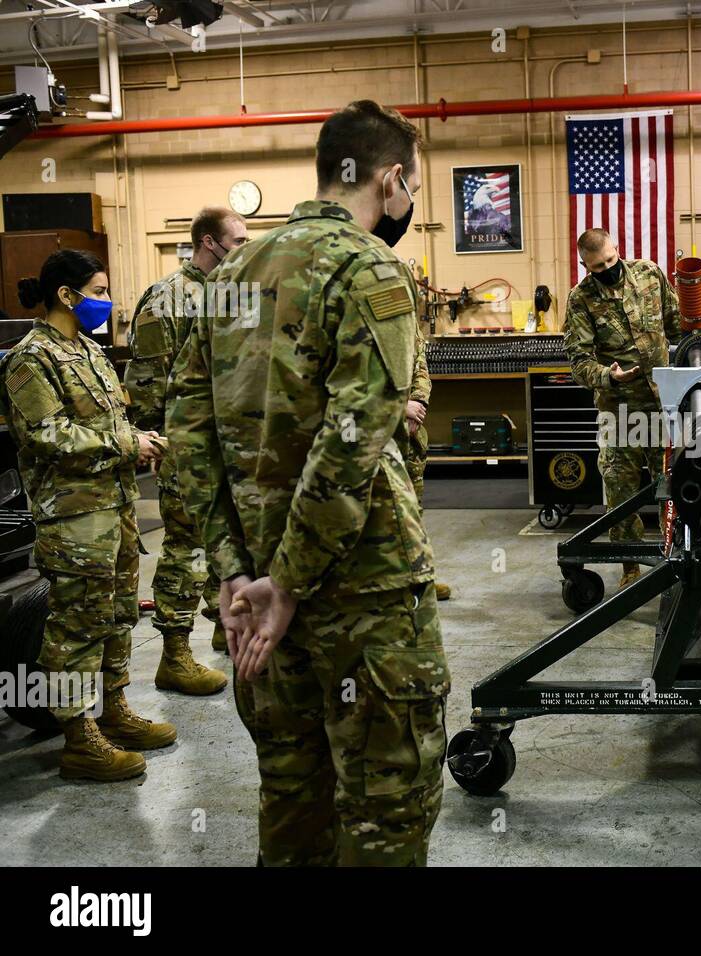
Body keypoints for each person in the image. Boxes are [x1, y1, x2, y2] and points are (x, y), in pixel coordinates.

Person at [167, 100, 449, 866]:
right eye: (411, 187)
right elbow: (351, 442)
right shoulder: (371, 268)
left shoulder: (233, 273)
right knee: (385, 811)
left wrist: (237, 572)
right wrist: (287, 584)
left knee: (292, 804)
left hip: (256, 602)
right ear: (391, 180)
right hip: (361, 596)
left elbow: (190, 438)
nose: (409, 203)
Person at [0, 250, 176, 781]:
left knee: (118, 614)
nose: (106, 301)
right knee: (75, 626)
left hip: (115, 508)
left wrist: (139, 438)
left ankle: (114, 710)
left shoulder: (91, 352)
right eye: (98, 291)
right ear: (66, 295)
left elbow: (111, 418)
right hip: (73, 517)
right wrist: (128, 443)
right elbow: (45, 434)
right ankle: (79, 738)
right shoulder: (32, 358)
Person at [125, 206, 248, 690]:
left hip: (225, 441)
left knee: (227, 538)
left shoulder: (230, 293)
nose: (244, 248)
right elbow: (151, 380)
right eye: (237, 241)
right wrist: (166, 443)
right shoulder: (169, 298)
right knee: (186, 547)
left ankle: (224, 627)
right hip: (186, 442)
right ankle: (174, 654)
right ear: (207, 242)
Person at [562, 228, 682, 589]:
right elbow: (578, 360)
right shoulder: (580, 299)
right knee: (620, 489)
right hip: (620, 411)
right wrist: (608, 376)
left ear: (618, 249)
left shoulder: (648, 274)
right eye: (598, 267)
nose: (608, 269)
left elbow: (678, 326)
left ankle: (675, 559)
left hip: (665, 407)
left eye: (611, 261)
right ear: (586, 266)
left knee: (673, 485)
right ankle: (629, 567)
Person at [402, 312, 449, 601]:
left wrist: (418, 403)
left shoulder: (404, 317)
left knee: (413, 510)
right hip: (374, 433)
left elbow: (420, 366)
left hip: (410, 435)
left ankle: (419, 578)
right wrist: (399, 406)